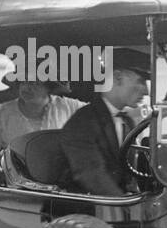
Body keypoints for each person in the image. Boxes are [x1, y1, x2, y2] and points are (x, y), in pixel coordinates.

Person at [59, 48, 152, 195]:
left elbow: (130, 176)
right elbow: (91, 175)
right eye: (140, 81)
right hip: (89, 205)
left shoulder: (127, 121)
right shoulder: (82, 122)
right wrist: (126, 204)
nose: (146, 91)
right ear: (117, 77)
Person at [0, 73, 82, 164]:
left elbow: (92, 114)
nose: (27, 88)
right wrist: (8, 171)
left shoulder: (68, 106)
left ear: (48, 87)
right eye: (23, 82)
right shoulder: (5, 111)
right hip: (16, 176)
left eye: (35, 83)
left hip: (59, 174)